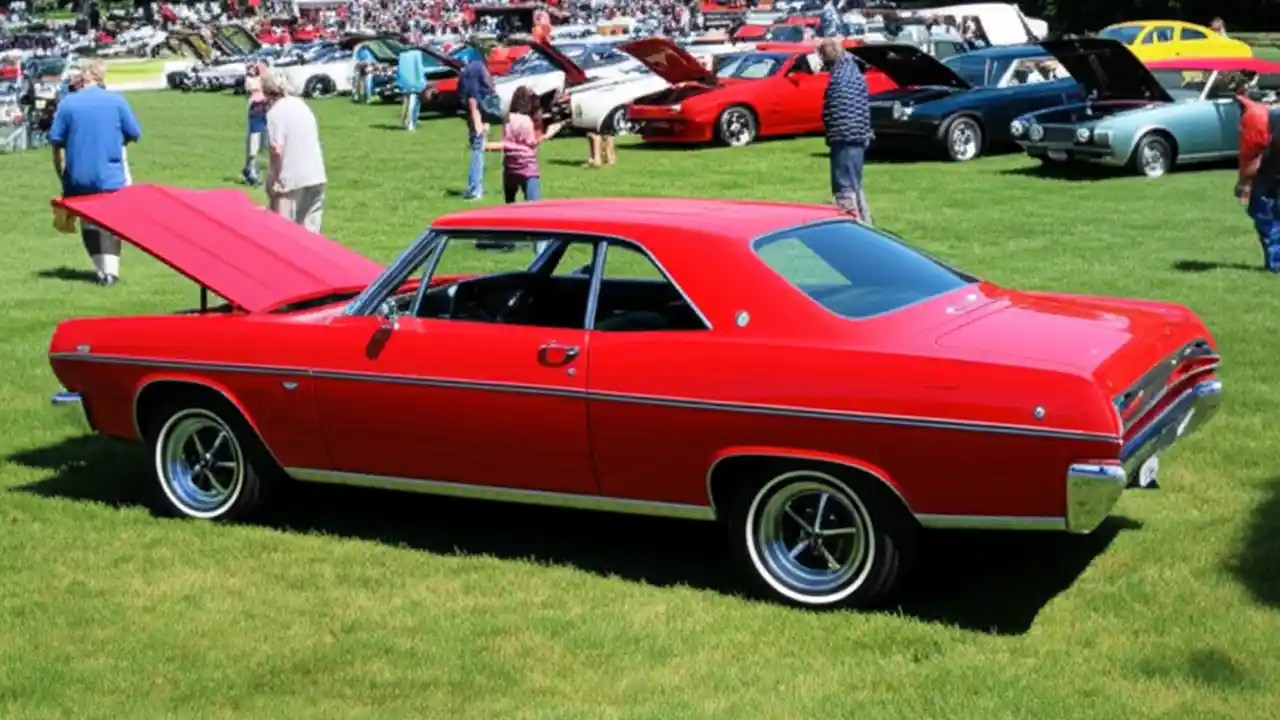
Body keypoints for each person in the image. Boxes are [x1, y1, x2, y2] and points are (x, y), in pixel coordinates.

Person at [47, 59, 141, 287]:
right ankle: (112, 270)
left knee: (89, 221)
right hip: (110, 174)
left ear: (83, 78)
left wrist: (63, 176)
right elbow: (134, 132)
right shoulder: (116, 101)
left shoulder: (68, 104)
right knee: (111, 222)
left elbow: (56, 142)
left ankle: (101, 271)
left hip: (78, 174)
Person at [262, 71, 327, 232]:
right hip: (316, 175)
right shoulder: (302, 105)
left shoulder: (275, 113)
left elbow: (277, 149)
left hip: (291, 179)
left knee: (283, 232)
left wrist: (274, 179)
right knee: (310, 231)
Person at [818, 38, 873, 224]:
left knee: (844, 186)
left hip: (844, 136)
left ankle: (851, 222)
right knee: (855, 184)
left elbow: (834, 110)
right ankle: (865, 221)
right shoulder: (853, 71)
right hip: (858, 135)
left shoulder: (840, 77)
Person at [485, 85, 564, 204]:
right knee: (533, 206)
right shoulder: (527, 121)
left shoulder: (508, 119)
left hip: (510, 167)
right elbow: (531, 142)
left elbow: (508, 141)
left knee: (510, 203)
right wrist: (548, 134)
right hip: (527, 167)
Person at [1236, 79, 1280, 272]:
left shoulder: (1256, 117)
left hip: (1268, 173)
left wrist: (1243, 184)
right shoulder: (1266, 116)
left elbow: (1251, 155)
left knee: (1266, 217)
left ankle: (1276, 264)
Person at [458, 49, 494, 200]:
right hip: (478, 118)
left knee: (477, 152)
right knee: (478, 153)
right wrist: (480, 125)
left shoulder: (467, 73)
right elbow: (474, 101)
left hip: (475, 119)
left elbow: (470, 102)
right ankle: (475, 187)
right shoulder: (478, 70)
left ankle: (473, 187)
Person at [242, 60, 268, 185]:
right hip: (256, 110)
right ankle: (250, 169)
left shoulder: (266, 79)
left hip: (266, 110)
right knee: (254, 141)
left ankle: (252, 168)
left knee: (265, 143)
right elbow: (252, 88)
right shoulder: (250, 80)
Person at [396, 46, 427, 130]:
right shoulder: (417, 55)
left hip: (404, 82)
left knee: (405, 103)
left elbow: (398, 71)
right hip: (414, 83)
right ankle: (411, 123)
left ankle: (404, 121)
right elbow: (420, 70)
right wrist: (422, 82)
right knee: (413, 104)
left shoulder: (402, 56)